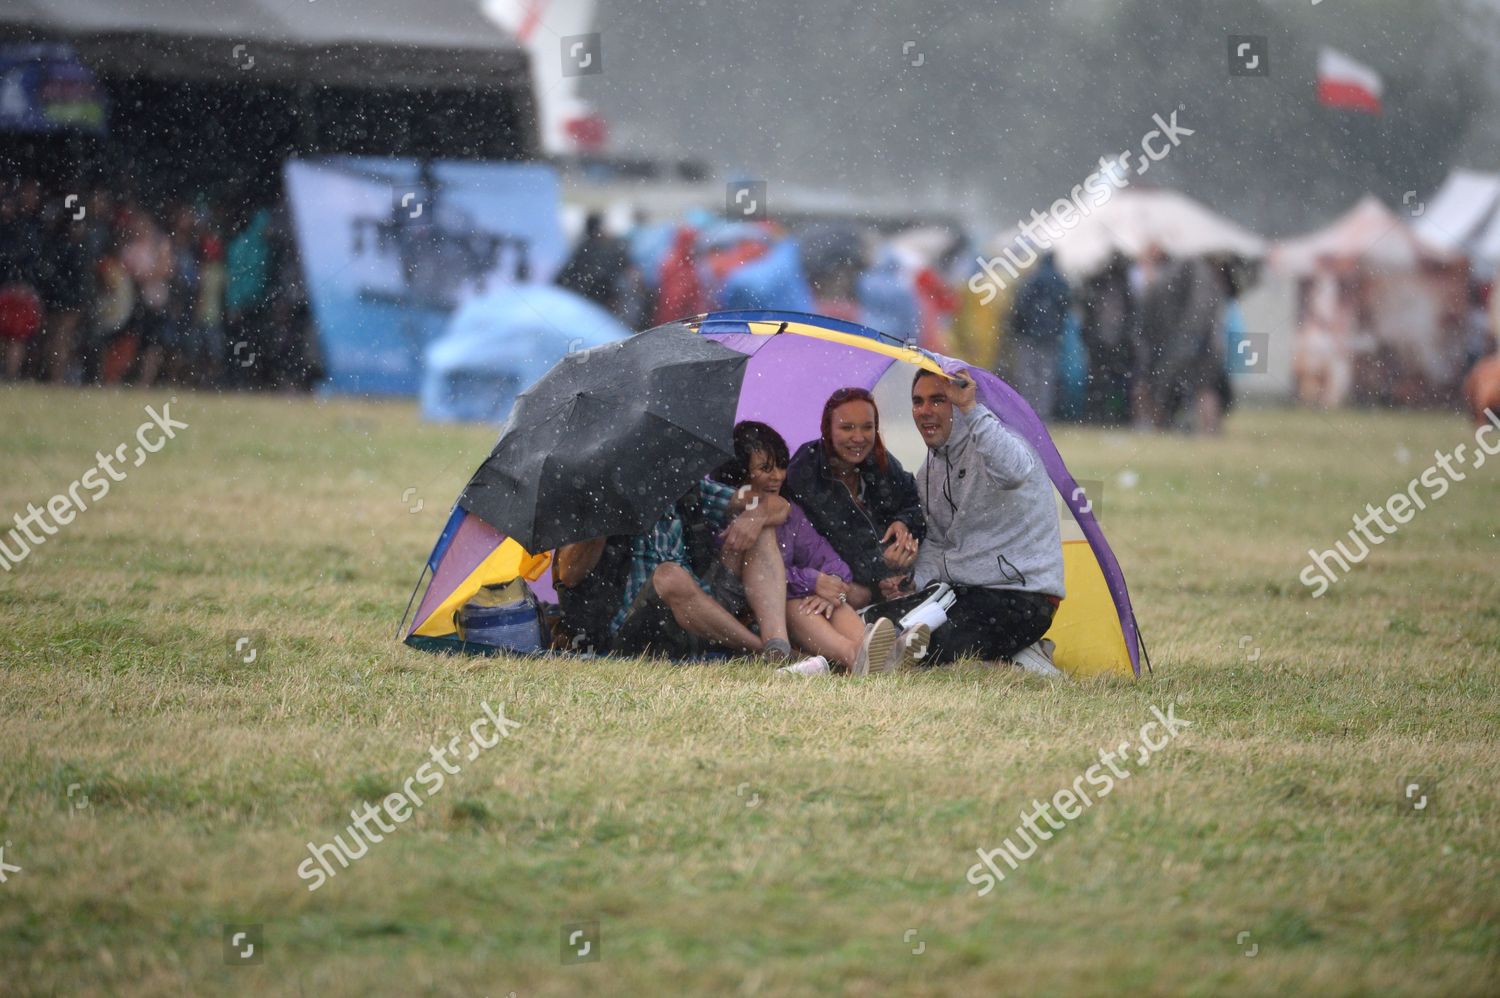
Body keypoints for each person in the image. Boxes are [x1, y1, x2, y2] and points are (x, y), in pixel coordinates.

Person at [712, 421, 920, 676]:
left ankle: (878, 652)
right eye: (765, 468)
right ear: (741, 471)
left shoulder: (790, 515)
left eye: (781, 465)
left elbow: (832, 563)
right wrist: (811, 581)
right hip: (752, 622)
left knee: (830, 600)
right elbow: (758, 583)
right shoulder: (731, 518)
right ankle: (855, 656)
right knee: (797, 604)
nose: (777, 475)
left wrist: (828, 585)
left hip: (799, 611)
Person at [909, 369, 1065, 674]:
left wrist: (971, 409)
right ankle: (1015, 656)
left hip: (1023, 598)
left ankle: (1022, 660)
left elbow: (1013, 471)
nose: (925, 411)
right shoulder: (928, 473)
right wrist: (911, 587)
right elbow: (937, 544)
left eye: (938, 400)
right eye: (917, 401)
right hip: (965, 593)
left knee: (919, 651)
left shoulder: (1001, 439)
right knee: (893, 632)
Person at [609, 476, 794, 661]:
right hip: (640, 625)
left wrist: (756, 515)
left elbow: (780, 505)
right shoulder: (610, 496)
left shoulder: (687, 487)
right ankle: (766, 653)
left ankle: (777, 643)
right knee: (668, 575)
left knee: (761, 525)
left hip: (702, 608)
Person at [784, 387, 925, 608]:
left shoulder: (880, 462)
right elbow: (796, 540)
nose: (858, 438)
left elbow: (916, 503)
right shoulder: (805, 469)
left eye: (867, 427)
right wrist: (876, 575)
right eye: (847, 427)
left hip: (885, 589)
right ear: (827, 429)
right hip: (830, 589)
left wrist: (904, 525)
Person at [1008, 251, 1071, 420]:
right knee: (1046, 377)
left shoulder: (1031, 280)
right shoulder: (1060, 281)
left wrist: (1019, 328)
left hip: (1028, 335)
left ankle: (1027, 412)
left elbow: (1020, 306)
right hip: (1050, 337)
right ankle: (1043, 414)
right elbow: (1065, 307)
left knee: (1027, 376)